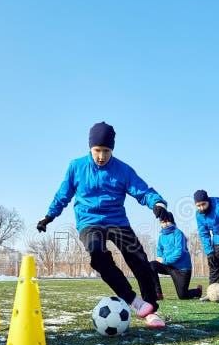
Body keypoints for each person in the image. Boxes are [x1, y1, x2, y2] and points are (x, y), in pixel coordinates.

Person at [37, 121, 168, 328]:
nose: (101, 156)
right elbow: (63, 194)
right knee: (98, 256)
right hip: (89, 222)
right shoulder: (76, 167)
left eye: (106, 151)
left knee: (140, 259)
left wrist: (157, 203)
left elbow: (143, 190)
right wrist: (49, 216)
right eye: (97, 150)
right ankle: (133, 300)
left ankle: (151, 309)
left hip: (117, 221)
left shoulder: (123, 170)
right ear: (90, 147)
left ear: (112, 149)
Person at [149, 212, 203, 300]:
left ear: (172, 221)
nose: (165, 224)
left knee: (182, 296)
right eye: (162, 222)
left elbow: (179, 252)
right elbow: (159, 249)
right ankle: (158, 293)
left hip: (182, 269)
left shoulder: (178, 233)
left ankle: (198, 291)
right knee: (151, 265)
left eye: (167, 221)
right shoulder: (161, 236)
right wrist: (159, 257)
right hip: (168, 266)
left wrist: (164, 260)